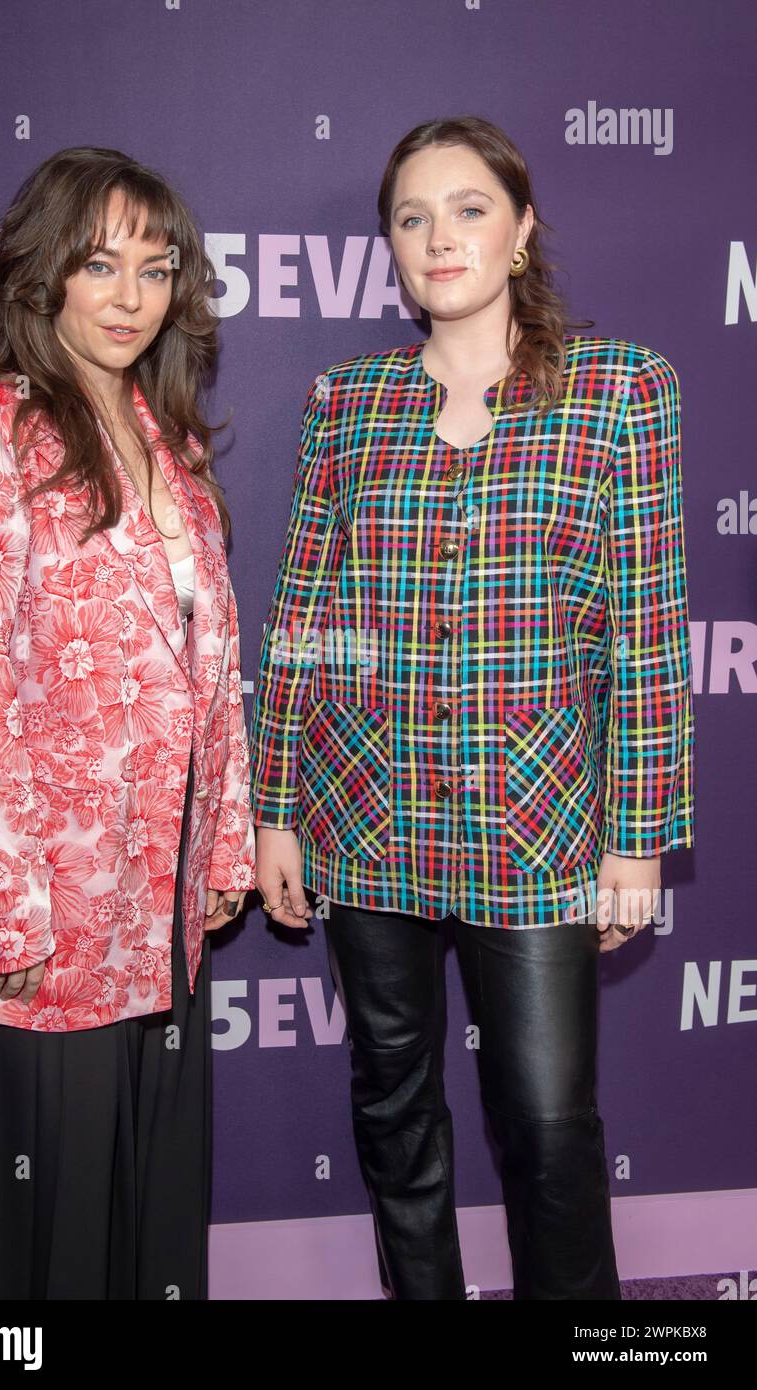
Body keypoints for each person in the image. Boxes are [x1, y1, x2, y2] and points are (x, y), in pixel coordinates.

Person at [249, 116, 694, 1300]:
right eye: (409, 216)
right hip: (366, 807)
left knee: (547, 1122)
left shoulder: (618, 390)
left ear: (520, 228)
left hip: (537, 818)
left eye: (466, 207)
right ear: (389, 247)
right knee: (393, 1105)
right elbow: (302, 616)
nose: (436, 237)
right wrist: (274, 810)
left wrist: (635, 837)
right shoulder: (344, 403)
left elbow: (645, 634)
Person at [0, 147, 256, 1299]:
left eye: (154, 268)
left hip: (158, 926)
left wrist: (228, 848)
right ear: (40, 271)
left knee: (150, 1237)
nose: (130, 295)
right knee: (45, 1260)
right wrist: (6, 918)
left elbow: (216, 669)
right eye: (99, 264)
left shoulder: (173, 446)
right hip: (43, 932)